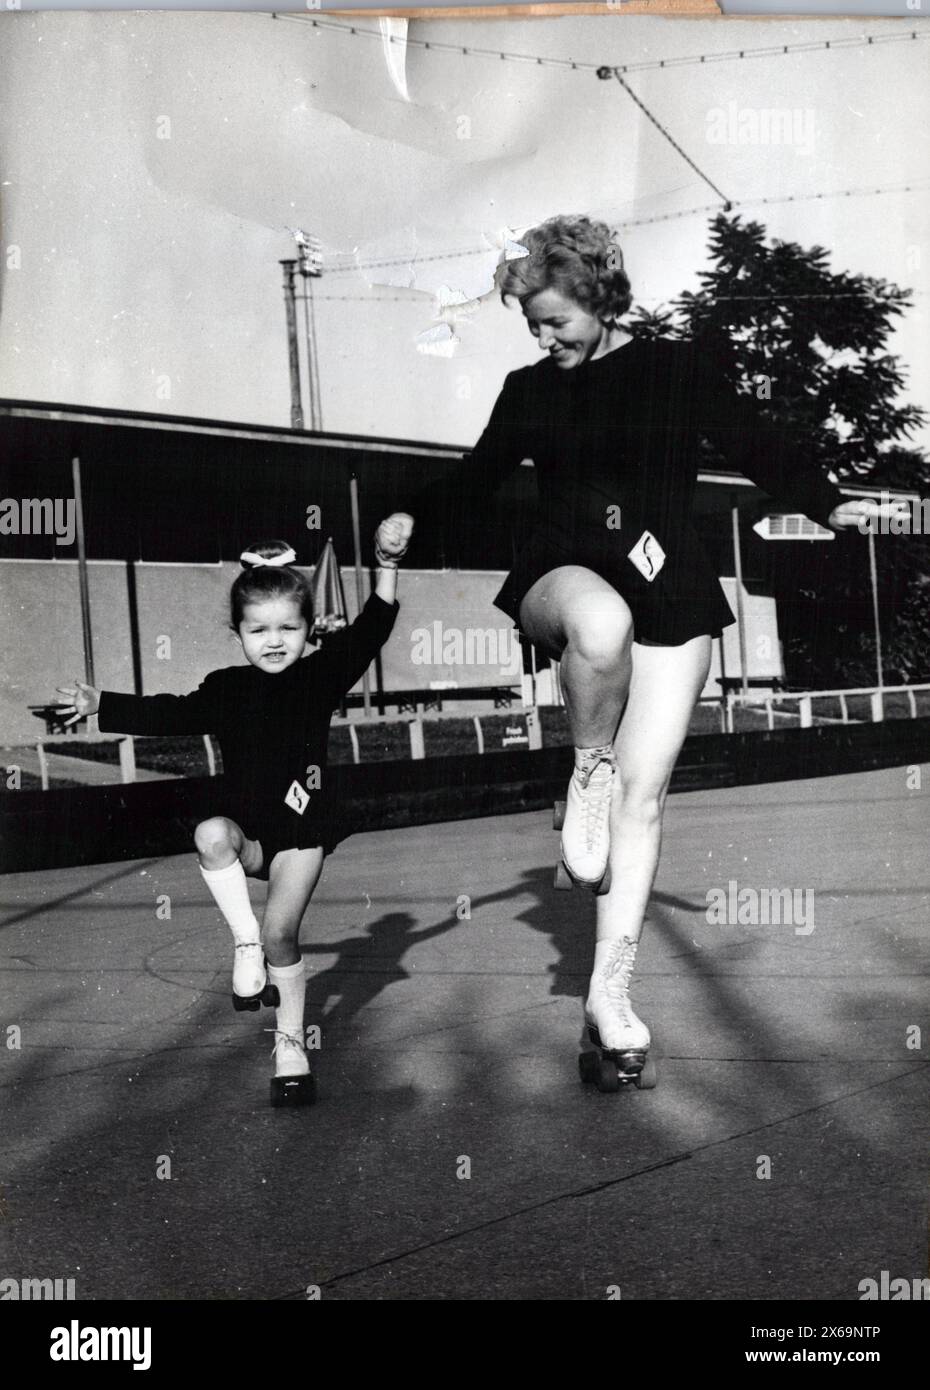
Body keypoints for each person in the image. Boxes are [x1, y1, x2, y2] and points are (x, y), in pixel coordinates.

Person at [411, 212, 899, 1088]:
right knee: (600, 630)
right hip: (562, 574)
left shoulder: (674, 370)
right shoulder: (529, 391)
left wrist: (827, 503)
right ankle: (584, 770)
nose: (544, 337)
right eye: (532, 326)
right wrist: (412, 517)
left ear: (599, 299)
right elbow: (473, 479)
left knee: (645, 801)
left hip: (670, 585)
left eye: (557, 320)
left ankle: (610, 993)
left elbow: (755, 440)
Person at [54, 514, 414, 1106]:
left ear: (308, 630)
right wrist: (100, 703)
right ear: (238, 633)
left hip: (301, 833)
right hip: (250, 832)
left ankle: (291, 1044)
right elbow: (167, 712)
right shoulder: (225, 688)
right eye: (259, 630)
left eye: (288, 629)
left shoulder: (322, 676)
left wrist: (388, 564)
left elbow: (373, 628)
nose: (274, 641)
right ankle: (243, 941)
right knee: (209, 834)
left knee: (283, 935)